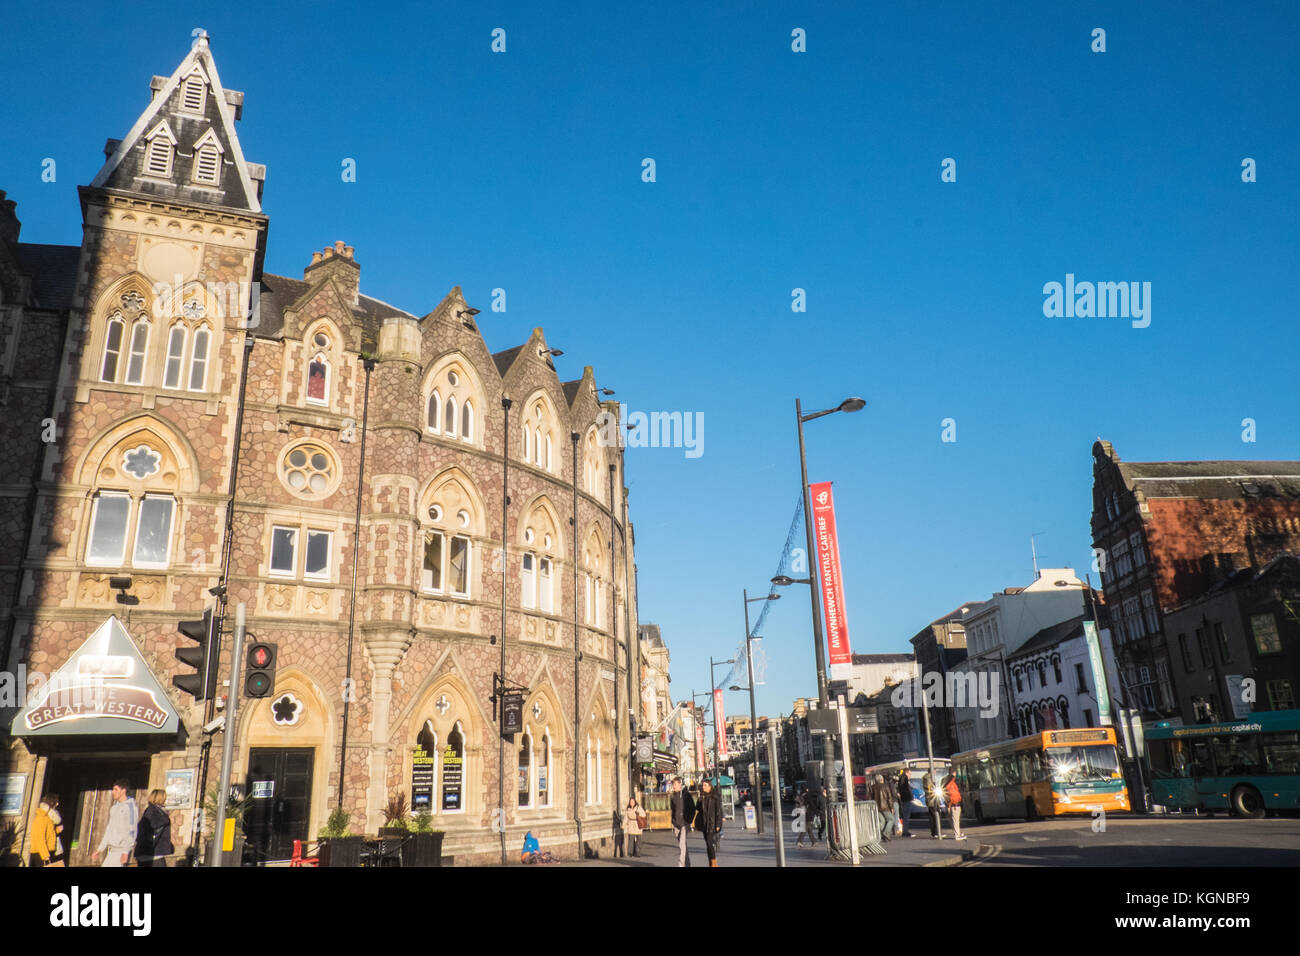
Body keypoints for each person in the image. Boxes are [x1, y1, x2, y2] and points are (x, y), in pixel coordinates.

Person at [92, 779, 137, 866]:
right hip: (111, 851)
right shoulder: (114, 808)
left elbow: (132, 831)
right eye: (113, 789)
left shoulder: (130, 807)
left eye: (116, 789)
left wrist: (125, 851)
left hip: (121, 851)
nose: (113, 792)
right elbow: (109, 829)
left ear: (123, 790)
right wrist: (100, 849)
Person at [135, 789, 174, 866]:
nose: (166, 800)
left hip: (145, 853)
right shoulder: (157, 813)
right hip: (153, 855)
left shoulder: (149, 810)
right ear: (161, 798)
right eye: (165, 798)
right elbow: (155, 832)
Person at [669, 777, 695, 868]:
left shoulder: (686, 795)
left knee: (682, 845)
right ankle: (687, 864)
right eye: (673, 785)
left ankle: (681, 864)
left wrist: (688, 820)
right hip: (677, 825)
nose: (673, 786)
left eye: (675, 784)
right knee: (683, 846)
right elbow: (673, 810)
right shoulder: (673, 796)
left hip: (684, 823)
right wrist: (673, 821)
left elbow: (692, 809)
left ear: (680, 784)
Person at [696, 779, 723, 867]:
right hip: (704, 823)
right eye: (702, 785)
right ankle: (710, 862)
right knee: (708, 844)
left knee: (709, 842)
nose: (703, 787)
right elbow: (698, 809)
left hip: (712, 823)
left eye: (705, 785)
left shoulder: (715, 796)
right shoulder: (702, 796)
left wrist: (718, 824)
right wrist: (699, 799)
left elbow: (719, 811)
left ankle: (714, 862)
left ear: (710, 786)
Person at [29, 797, 60, 868]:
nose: (57, 804)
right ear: (51, 803)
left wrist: (57, 831)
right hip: (40, 852)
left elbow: (48, 834)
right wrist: (45, 856)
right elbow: (39, 839)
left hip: (47, 850)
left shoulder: (48, 817)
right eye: (56, 802)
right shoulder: (41, 818)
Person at [869, 773, 897, 843]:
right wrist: (892, 807)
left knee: (882, 821)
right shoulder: (885, 786)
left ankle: (879, 835)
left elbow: (870, 797)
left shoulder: (872, 787)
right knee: (891, 819)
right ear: (882, 780)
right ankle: (886, 833)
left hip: (876, 807)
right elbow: (889, 798)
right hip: (885, 807)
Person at [943, 773, 966, 841]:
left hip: (949, 805)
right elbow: (955, 796)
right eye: (954, 777)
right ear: (953, 778)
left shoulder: (946, 785)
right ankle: (957, 835)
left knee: (952, 821)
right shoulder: (952, 785)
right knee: (956, 821)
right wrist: (958, 800)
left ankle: (957, 833)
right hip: (955, 805)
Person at [922, 771, 943, 839]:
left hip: (930, 800)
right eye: (935, 771)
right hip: (932, 800)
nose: (936, 772)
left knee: (932, 816)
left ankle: (934, 832)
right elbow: (930, 789)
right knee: (935, 815)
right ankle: (936, 832)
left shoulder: (926, 778)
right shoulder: (929, 778)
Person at [896, 770, 913, 838]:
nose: (910, 776)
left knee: (905, 816)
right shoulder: (904, 778)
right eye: (909, 774)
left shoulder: (901, 778)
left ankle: (905, 831)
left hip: (904, 799)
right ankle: (905, 831)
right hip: (906, 799)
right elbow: (906, 790)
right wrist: (910, 796)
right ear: (906, 773)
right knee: (906, 816)